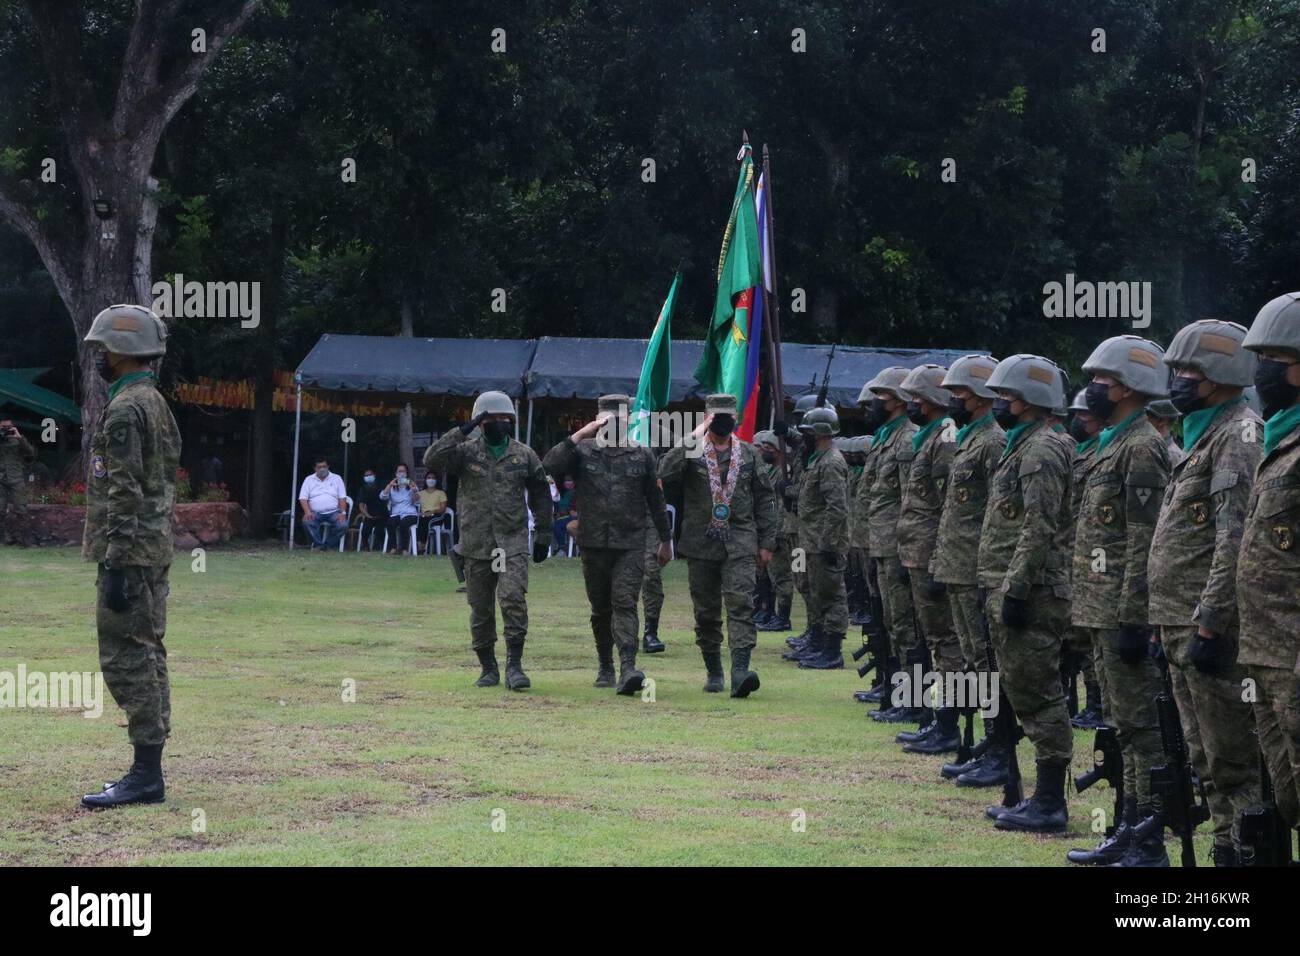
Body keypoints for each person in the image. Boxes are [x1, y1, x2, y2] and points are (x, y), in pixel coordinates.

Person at [1142, 319, 1261, 867]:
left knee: (1231, 757)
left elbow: (1233, 537)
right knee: (1203, 755)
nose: (1178, 380)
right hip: (1179, 620)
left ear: (1217, 373)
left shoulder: (1239, 435)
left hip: (1208, 626)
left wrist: (1211, 621)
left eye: (1188, 370)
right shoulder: (1203, 435)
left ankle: (1245, 856)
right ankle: (1225, 851)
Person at [1070, 335, 1172, 865]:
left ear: (1128, 388)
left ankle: (1147, 840)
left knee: (1141, 730)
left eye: (1102, 381)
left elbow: (1142, 538)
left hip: (1121, 612)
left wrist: (1136, 616)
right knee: (1123, 726)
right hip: (1100, 608)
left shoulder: (1142, 446)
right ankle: (1128, 830)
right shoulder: (1117, 440)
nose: (1094, 388)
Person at [78, 304, 181, 809]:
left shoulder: (125, 409)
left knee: (128, 658)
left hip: (131, 553)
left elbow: (124, 491)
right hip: (151, 548)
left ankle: (145, 775)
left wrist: (115, 562)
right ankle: (148, 769)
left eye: (103, 348)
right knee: (149, 652)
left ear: (122, 350)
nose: (100, 356)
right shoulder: (154, 402)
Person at [977, 354, 1074, 832]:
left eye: (1007, 396)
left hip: (1032, 593)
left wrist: (1015, 589)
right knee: (1023, 690)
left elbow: (1040, 525)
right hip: (1011, 586)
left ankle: (1051, 802)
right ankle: (1039, 797)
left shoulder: (1041, 450)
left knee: (1039, 694)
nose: (999, 403)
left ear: (1031, 400)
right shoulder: (1024, 445)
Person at [424, 391, 552, 690]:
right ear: (480, 422)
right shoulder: (465, 452)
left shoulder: (524, 454)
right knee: (481, 609)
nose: (499, 423)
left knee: (513, 601)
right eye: (492, 418)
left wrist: (544, 533)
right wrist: (463, 430)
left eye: (504, 418)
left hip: (512, 542)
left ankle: (515, 666)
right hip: (476, 543)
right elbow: (432, 458)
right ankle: (488, 667)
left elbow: (541, 493)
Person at [544, 394, 672, 695]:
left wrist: (666, 541)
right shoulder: (583, 451)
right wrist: (579, 434)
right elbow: (549, 465)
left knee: (625, 603)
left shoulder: (642, 455)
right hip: (593, 543)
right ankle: (605, 665)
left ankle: (628, 667)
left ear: (628, 421)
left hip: (630, 544)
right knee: (601, 609)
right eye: (608, 420)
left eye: (620, 420)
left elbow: (656, 501)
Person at [658, 393, 777, 697]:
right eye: (717, 417)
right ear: (707, 419)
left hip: (740, 541)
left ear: (735, 418)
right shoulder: (693, 451)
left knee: (741, 604)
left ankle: (740, 671)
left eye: (728, 416)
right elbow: (664, 472)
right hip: (701, 543)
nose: (723, 422)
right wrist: (694, 436)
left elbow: (765, 499)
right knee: (706, 611)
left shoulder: (748, 454)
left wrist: (767, 543)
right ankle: (713, 670)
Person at [1237, 292, 1300, 830]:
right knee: (1289, 798)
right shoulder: (1279, 442)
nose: (1263, 372)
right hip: (1266, 652)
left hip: (1293, 656)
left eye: (1275, 360)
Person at [931, 354, 1005, 778]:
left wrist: (984, 572)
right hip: (957, 566)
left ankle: (997, 746)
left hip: (975, 568)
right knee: (972, 660)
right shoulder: (969, 438)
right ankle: (979, 740)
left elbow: (995, 513)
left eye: (960, 391)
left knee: (985, 661)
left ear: (980, 395)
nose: (954, 399)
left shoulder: (991, 442)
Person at [894, 364, 961, 753]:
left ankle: (948, 725)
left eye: (918, 398)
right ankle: (937, 719)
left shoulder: (946, 437)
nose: (912, 404)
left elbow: (946, 505)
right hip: (917, 553)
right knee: (933, 641)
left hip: (933, 555)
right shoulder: (930, 436)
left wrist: (937, 560)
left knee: (946, 642)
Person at [857, 367, 922, 723]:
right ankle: (897, 693)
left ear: (897, 400)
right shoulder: (886, 437)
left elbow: (912, 500)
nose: (874, 403)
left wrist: (905, 549)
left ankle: (913, 701)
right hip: (879, 545)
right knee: (892, 623)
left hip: (897, 547)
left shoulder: (906, 439)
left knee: (905, 626)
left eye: (881, 396)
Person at [790, 406, 851, 670]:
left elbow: (836, 507)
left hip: (823, 543)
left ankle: (832, 650)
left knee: (831, 595)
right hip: (810, 541)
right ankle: (817, 642)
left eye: (808, 432)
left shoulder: (831, 462)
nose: (804, 436)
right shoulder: (817, 459)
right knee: (814, 591)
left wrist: (828, 543)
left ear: (819, 433)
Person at [1064, 389, 1106, 732]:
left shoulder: (1102, 453)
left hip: (1094, 558)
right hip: (1074, 554)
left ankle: (1096, 704)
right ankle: (1082, 702)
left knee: (1091, 640)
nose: (1079, 420)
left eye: (1084, 415)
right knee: (1076, 637)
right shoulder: (1078, 452)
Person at [752, 430, 794, 632]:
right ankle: (768, 611)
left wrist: (775, 533)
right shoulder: (772, 471)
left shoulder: (785, 472)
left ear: (779, 450)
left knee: (783, 576)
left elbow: (783, 507)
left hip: (782, 531)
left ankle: (783, 617)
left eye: (769, 448)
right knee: (769, 574)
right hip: (771, 530)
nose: (764, 451)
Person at [640, 473, 668, 653]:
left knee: (651, 574)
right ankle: (621, 631)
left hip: (649, 518)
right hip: (617, 518)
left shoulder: (651, 461)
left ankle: (650, 632)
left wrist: (666, 540)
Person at [298, 457, 349, 551]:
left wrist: (342, 513)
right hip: (314, 512)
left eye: (324, 466)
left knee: (343, 525)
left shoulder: (337, 478)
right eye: (319, 467)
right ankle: (318, 545)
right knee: (307, 522)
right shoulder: (308, 479)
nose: (322, 469)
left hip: (334, 512)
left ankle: (327, 545)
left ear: (328, 466)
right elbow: (303, 498)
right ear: (315, 468)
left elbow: (342, 497)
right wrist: (307, 512)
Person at [0, 418, 35, 546]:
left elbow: (30, 452)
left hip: (16, 479)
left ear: (13, 427)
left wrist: (19, 437)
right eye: (3, 427)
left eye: (8, 427)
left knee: (21, 509)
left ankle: (25, 540)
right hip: (1, 480)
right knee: (0, 510)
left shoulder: (18, 440)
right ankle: (4, 538)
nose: (5, 429)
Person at [380, 464, 419, 554]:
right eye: (399, 471)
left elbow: (417, 502)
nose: (401, 474)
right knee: (390, 522)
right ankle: (393, 547)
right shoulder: (392, 487)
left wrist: (414, 491)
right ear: (396, 473)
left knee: (404, 523)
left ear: (407, 473)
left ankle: (404, 549)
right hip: (396, 513)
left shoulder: (411, 485)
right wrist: (389, 485)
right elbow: (382, 497)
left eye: (403, 471)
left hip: (410, 513)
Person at [1146, 398, 1186, 468]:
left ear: (1161, 421)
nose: (1144, 421)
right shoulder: (1149, 448)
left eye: (1148, 417)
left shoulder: (1172, 455)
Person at [356, 468, 388, 551]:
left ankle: (380, 547)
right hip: (370, 515)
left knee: (379, 531)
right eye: (366, 475)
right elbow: (361, 505)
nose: (368, 477)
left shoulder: (381, 486)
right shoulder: (363, 489)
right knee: (365, 530)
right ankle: (366, 547)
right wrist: (367, 515)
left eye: (370, 475)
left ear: (374, 475)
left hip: (382, 515)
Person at [417, 473, 450, 550]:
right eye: (428, 478)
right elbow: (412, 501)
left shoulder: (441, 493)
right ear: (425, 480)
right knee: (418, 521)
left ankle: (424, 546)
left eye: (433, 478)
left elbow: (443, 509)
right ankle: (419, 545)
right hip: (424, 515)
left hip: (437, 515)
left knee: (427, 521)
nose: (431, 480)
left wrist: (432, 512)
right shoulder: (420, 493)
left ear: (436, 480)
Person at [552, 478, 576, 553]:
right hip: (562, 517)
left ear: (574, 483)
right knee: (554, 525)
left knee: (557, 525)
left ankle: (562, 548)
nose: (568, 483)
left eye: (570, 481)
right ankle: (561, 547)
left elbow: (571, 509)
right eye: (566, 481)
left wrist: (562, 513)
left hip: (573, 517)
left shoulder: (575, 493)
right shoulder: (562, 493)